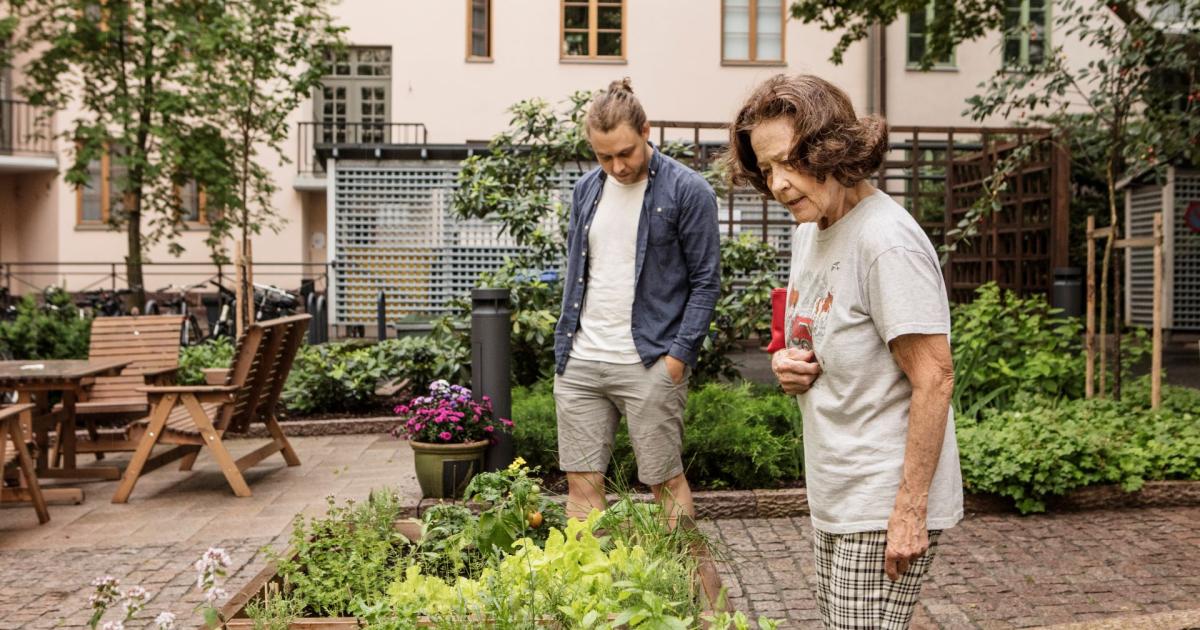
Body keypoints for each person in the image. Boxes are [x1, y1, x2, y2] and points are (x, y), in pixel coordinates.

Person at [726, 74, 963, 629]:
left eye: (789, 161)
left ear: (831, 149)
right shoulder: (810, 229)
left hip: (881, 498)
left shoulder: (886, 242)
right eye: (767, 169)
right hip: (836, 489)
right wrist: (789, 364)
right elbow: (811, 336)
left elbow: (935, 377)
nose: (779, 184)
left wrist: (909, 511)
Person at [553, 78, 720, 527]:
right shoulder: (586, 190)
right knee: (581, 486)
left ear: (646, 131)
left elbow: (706, 282)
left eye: (625, 153)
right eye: (603, 156)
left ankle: (687, 573)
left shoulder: (687, 190)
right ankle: (589, 574)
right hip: (581, 360)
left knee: (664, 482)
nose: (617, 166)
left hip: (649, 360)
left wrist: (678, 358)